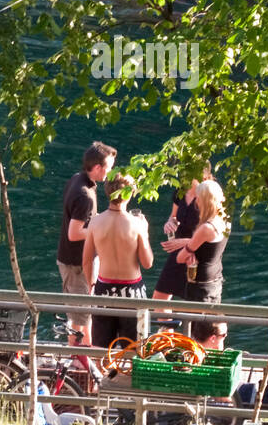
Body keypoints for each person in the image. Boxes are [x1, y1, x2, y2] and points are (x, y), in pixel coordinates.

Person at [83, 174, 152, 350]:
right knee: (137, 347)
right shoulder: (136, 224)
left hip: (103, 288)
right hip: (133, 291)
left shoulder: (95, 222)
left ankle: (106, 378)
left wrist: (91, 283)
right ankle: (128, 378)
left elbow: (87, 260)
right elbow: (147, 262)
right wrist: (145, 232)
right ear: (129, 194)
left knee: (101, 347)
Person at [57, 141, 116, 344]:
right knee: (79, 317)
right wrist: (99, 227)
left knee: (83, 313)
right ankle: (75, 358)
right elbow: (74, 233)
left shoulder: (77, 179)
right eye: (109, 167)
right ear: (98, 167)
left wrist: (95, 220)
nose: (110, 171)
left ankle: (87, 357)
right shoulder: (85, 196)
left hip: (74, 260)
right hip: (76, 263)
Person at [161, 178, 228, 305]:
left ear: (202, 201)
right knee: (208, 321)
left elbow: (180, 258)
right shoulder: (224, 221)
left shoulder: (206, 228)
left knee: (192, 322)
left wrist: (186, 244)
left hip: (200, 284)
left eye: (197, 198)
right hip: (215, 280)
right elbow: (208, 245)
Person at [152, 163, 213, 301]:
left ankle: (187, 323)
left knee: (194, 303)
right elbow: (173, 216)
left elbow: (212, 230)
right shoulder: (180, 192)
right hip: (177, 249)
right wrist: (170, 223)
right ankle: (168, 324)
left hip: (198, 254)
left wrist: (187, 242)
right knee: (159, 297)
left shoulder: (208, 195)